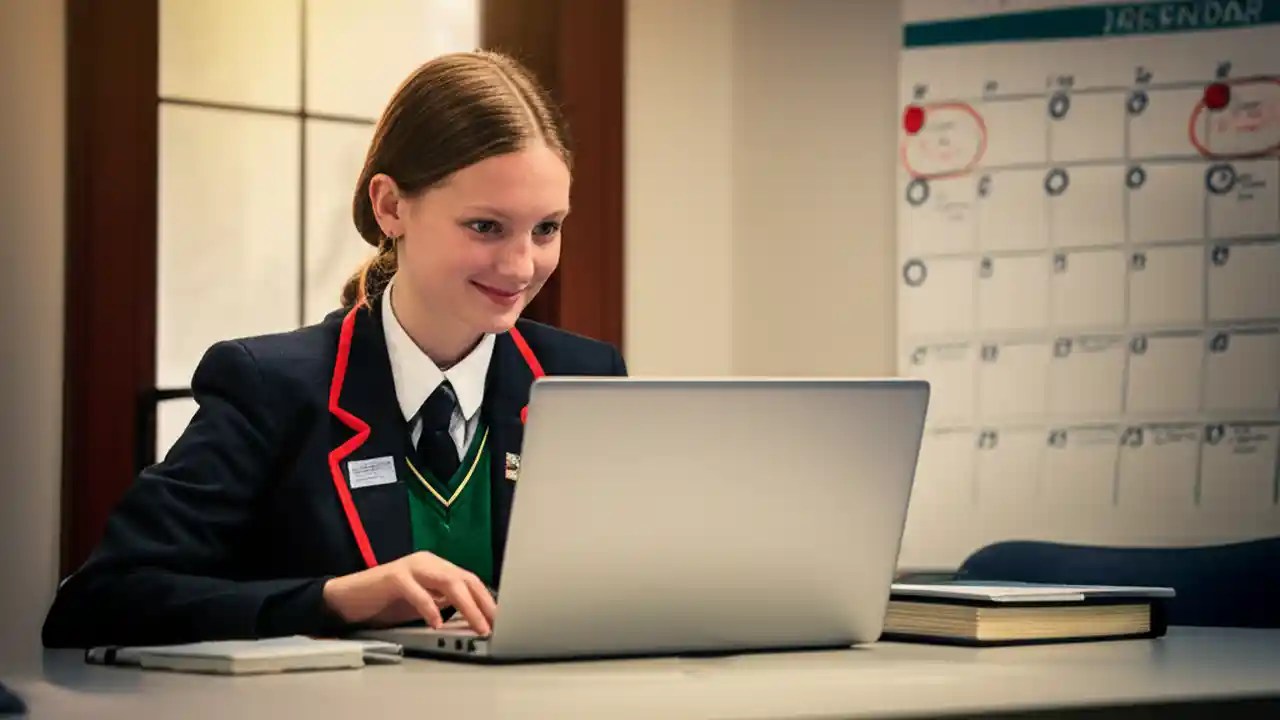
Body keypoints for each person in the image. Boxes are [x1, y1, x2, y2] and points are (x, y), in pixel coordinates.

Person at [42, 50, 626, 648]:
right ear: (391, 206)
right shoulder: (270, 387)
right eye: (486, 227)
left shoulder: (582, 379)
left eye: (546, 228)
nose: (522, 265)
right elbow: (98, 603)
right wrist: (338, 599)